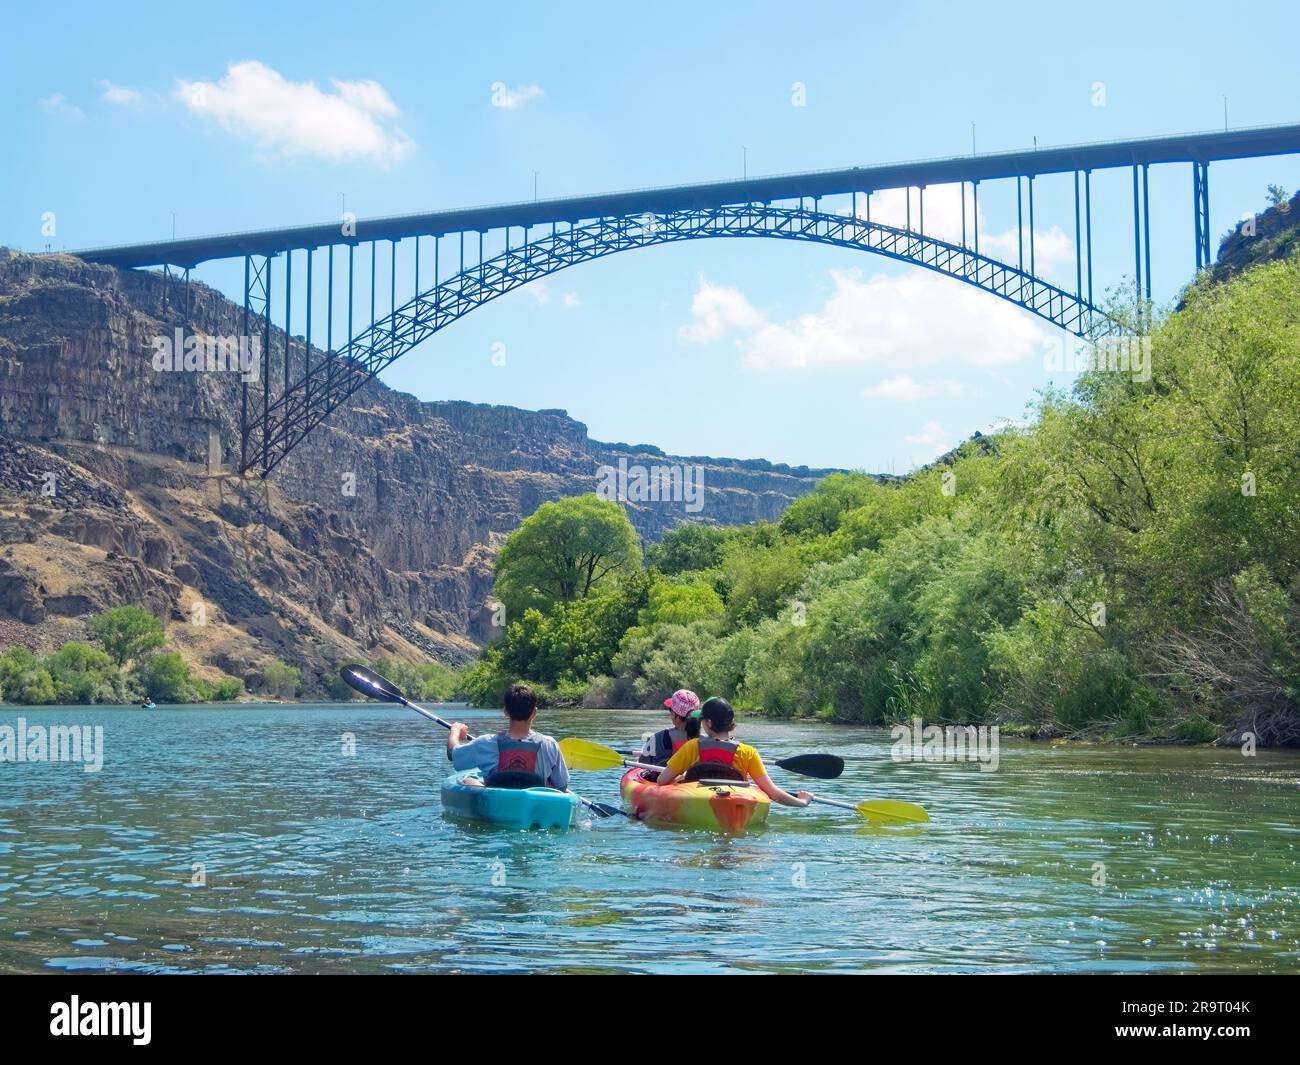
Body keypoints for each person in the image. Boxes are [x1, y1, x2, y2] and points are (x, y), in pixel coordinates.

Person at [654, 696, 811, 808]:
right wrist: (802, 802)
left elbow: (662, 781)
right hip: (735, 806)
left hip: (696, 803)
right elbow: (774, 793)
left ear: (708, 722)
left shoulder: (692, 746)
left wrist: (682, 777)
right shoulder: (748, 752)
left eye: (702, 720)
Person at [446, 682, 570, 791]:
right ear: (534, 712)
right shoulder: (550, 744)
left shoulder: (485, 743)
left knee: (468, 780)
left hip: (496, 805)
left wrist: (455, 730)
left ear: (506, 711)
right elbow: (561, 785)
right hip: (534, 808)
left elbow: (452, 754)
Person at [639, 688, 700, 765]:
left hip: (664, 776)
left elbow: (642, 765)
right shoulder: (705, 740)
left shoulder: (656, 739)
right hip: (693, 776)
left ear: (674, 715)